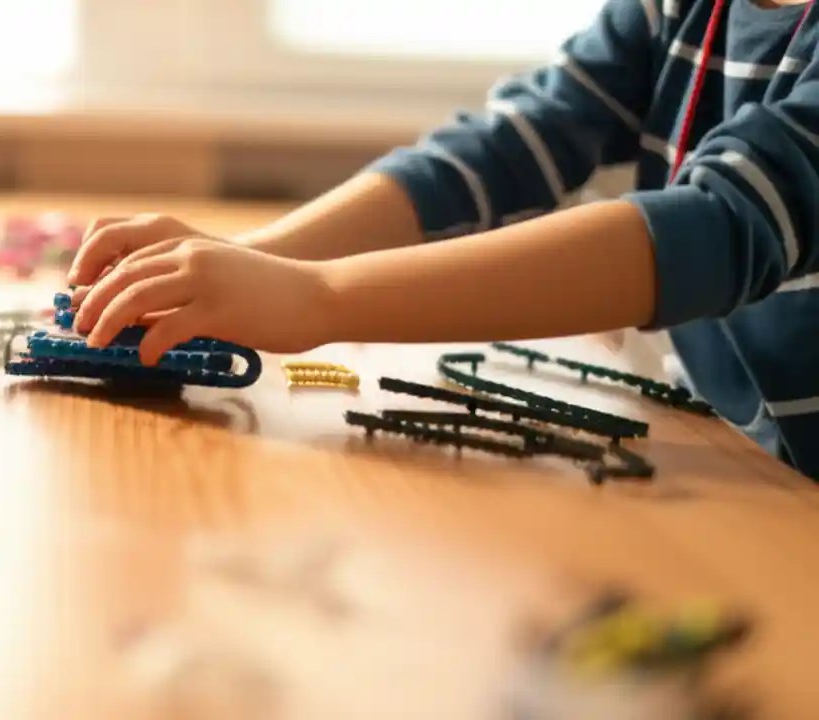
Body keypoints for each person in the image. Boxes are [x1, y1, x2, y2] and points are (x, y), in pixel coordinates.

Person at [65, 0, 819, 481]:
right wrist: (265, 257)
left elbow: (715, 228)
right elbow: (506, 146)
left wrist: (318, 299)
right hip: (748, 469)